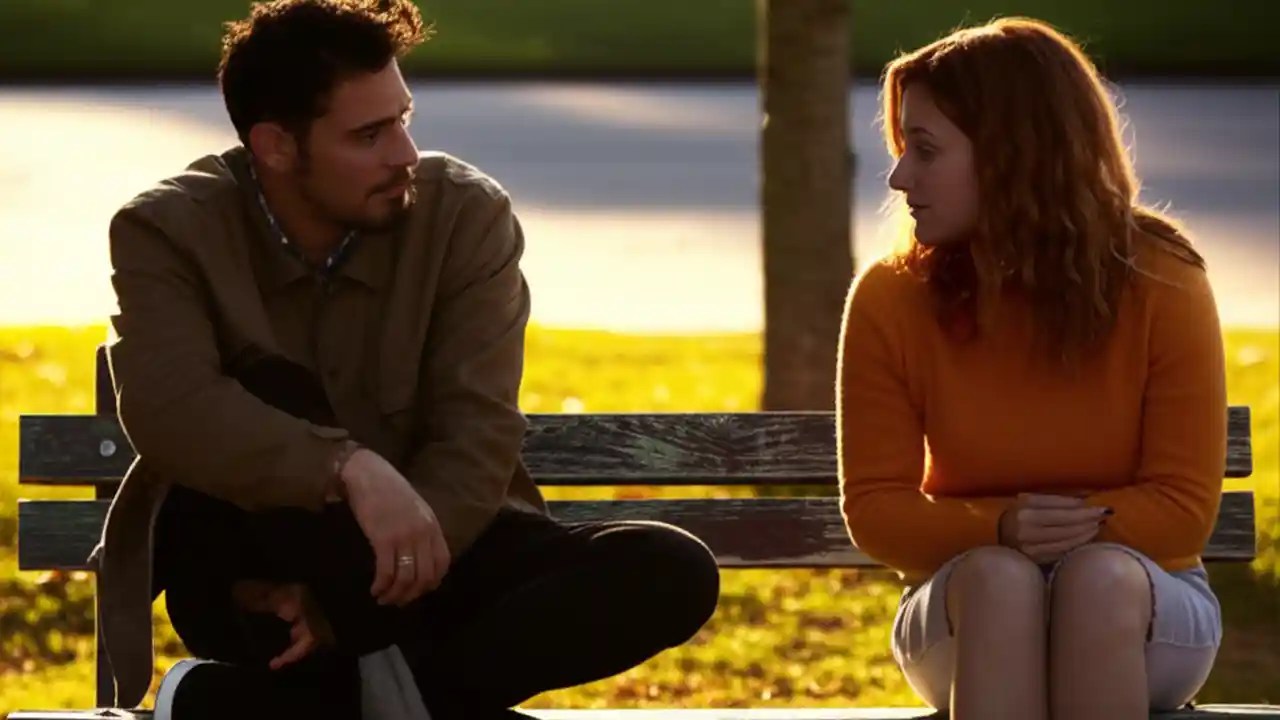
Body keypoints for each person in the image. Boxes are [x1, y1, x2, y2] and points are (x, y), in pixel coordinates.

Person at [91, 1, 720, 717]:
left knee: (670, 569)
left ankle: (279, 705)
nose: (405, 155)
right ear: (276, 146)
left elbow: (476, 432)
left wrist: (364, 593)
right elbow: (169, 406)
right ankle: (398, 688)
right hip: (257, 568)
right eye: (369, 134)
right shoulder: (168, 229)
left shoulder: (463, 215)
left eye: (403, 120)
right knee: (268, 387)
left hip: (441, 549)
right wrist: (348, 469)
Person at [836, 17, 1227, 720]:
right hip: (966, 605)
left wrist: (1064, 539)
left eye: (924, 150)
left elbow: (1183, 516)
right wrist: (1001, 532)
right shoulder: (891, 296)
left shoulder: (1162, 278)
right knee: (998, 580)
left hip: (1149, 601)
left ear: (1013, 157)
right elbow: (876, 512)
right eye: (901, 149)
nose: (898, 177)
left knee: (1097, 580)